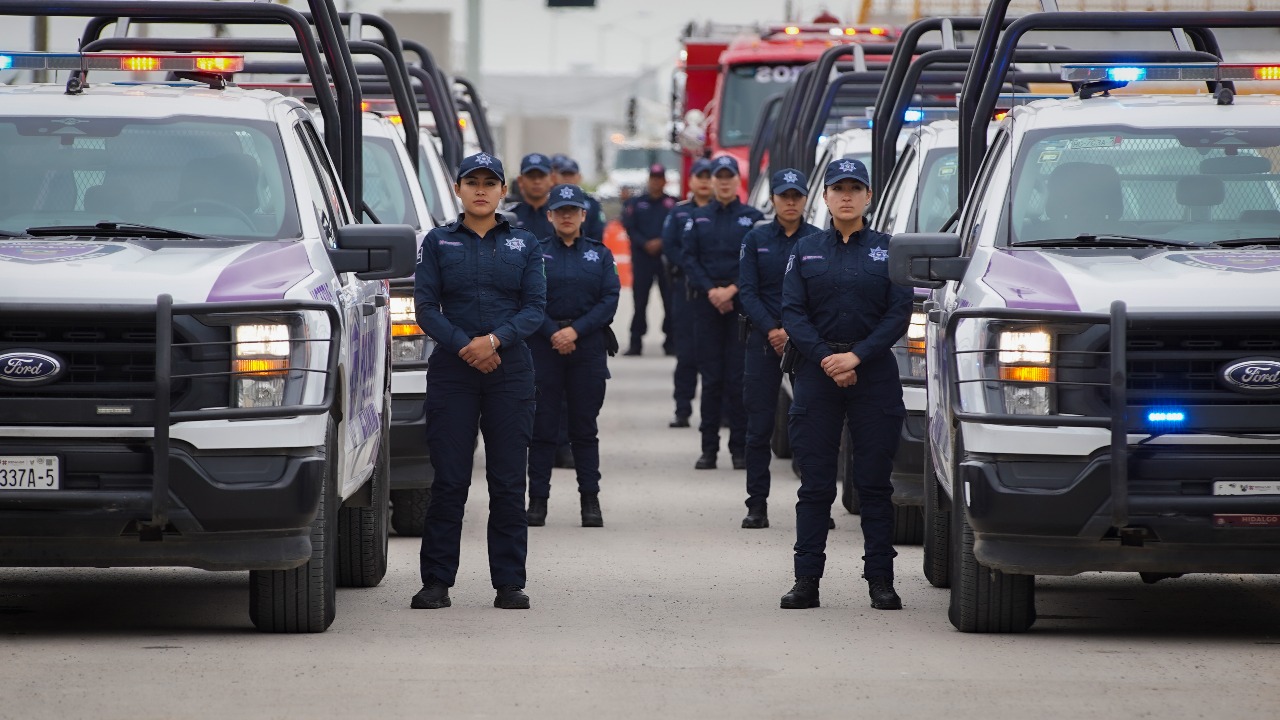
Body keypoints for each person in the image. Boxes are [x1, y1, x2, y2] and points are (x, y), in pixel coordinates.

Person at [411, 152, 547, 611]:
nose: (482, 190)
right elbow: (426, 307)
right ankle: (436, 582)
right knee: (450, 480)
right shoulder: (437, 242)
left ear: (503, 191)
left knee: (508, 483)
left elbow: (534, 308)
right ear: (458, 190)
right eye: (473, 182)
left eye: (491, 182)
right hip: (454, 371)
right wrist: (467, 346)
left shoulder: (525, 244)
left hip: (510, 372)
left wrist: (493, 341)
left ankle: (509, 583)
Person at [778, 158, 911, 611]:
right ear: (827, 197)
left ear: (869, 197)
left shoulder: (890, 249)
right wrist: (827, 359)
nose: (847, 196)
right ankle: (806, 582)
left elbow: (898, 313)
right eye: (839, 189)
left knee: (874, 484)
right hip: (817, 372)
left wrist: (856, 356)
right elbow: (792, 311)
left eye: (856, 188)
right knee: (815, 484)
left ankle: (881, 582)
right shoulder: (806, 250)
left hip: (872, 372)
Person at [526, 183, 620, 528]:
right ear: (550, 215)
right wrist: (554, 331)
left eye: (573, 211)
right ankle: (537, 501)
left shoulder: (600, 254)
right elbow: (529, 299)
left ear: (583, 215)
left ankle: (590, 501)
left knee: (584, 428)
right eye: (560, 211)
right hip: (544, 347)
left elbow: (609, 299)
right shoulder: (535, 253)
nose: (567, 216)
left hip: (588, 347)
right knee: (541, 429)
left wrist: (575, 331)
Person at [738, 168, 820, 529]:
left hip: (805, 344)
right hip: (762, 340)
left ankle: (815, 505)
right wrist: (773, 329)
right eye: (784, 196)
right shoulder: (756, 240)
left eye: (796, 196)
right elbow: (748, 291)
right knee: (759, 427)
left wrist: (794, 332)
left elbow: (819, 297)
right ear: (772, 200)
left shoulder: (819, 240)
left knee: (812, 425)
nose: (790, 202)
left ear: (806, 199)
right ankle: (757, 505)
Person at [680, 155, 762, 470]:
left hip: (741, 304)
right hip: (706, 304)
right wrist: (712, 290)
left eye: (730, 176)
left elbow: (755, 262)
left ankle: (738, 448)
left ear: (736, 180)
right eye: (720, 176)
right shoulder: (698, 218)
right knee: (711, 378)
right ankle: (708, 449)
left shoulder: (752, 218)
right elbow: (689, 259)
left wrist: (733, 289)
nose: (725, 182)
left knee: (738, 378)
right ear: (712, 181)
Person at [661, 157, 713, 427]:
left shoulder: (723, 212)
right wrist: (696, 271)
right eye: (700, 176)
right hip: (686, 290)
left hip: (715, 293)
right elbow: (670, 248)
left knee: (717, 354)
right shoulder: (679, 212)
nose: (704, 181)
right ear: (691, 181)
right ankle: (683, 409)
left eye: (709, 176)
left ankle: (722, 411)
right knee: (686, 351)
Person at [620, 164, 676, 356]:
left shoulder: (672, 204)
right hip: (642, 259)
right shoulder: (635, 204)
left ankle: (671, 342)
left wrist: (661, 242)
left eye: (660, 178)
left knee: (669, 301)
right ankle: (636, 342)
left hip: (665, 259)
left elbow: (676, 229)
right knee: (640, 301)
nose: (656, 181)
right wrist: (646, 243)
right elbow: (629, 228)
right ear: (649, 180)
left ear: (665, 181)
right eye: (653, 177)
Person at [552, 156, 607, 241]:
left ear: (579, 177)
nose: (567, 178)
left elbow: (597, 231)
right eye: (564, 174)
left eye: (571, 174)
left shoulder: (592, 203)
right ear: (555, 177)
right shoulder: (549, 202)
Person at [509, 153, 555, 240]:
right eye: (531, 176)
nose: (537, 181)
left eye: (542, 176)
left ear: (552, 179)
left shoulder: (560, 216)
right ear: (520, 180)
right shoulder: (511, 217)